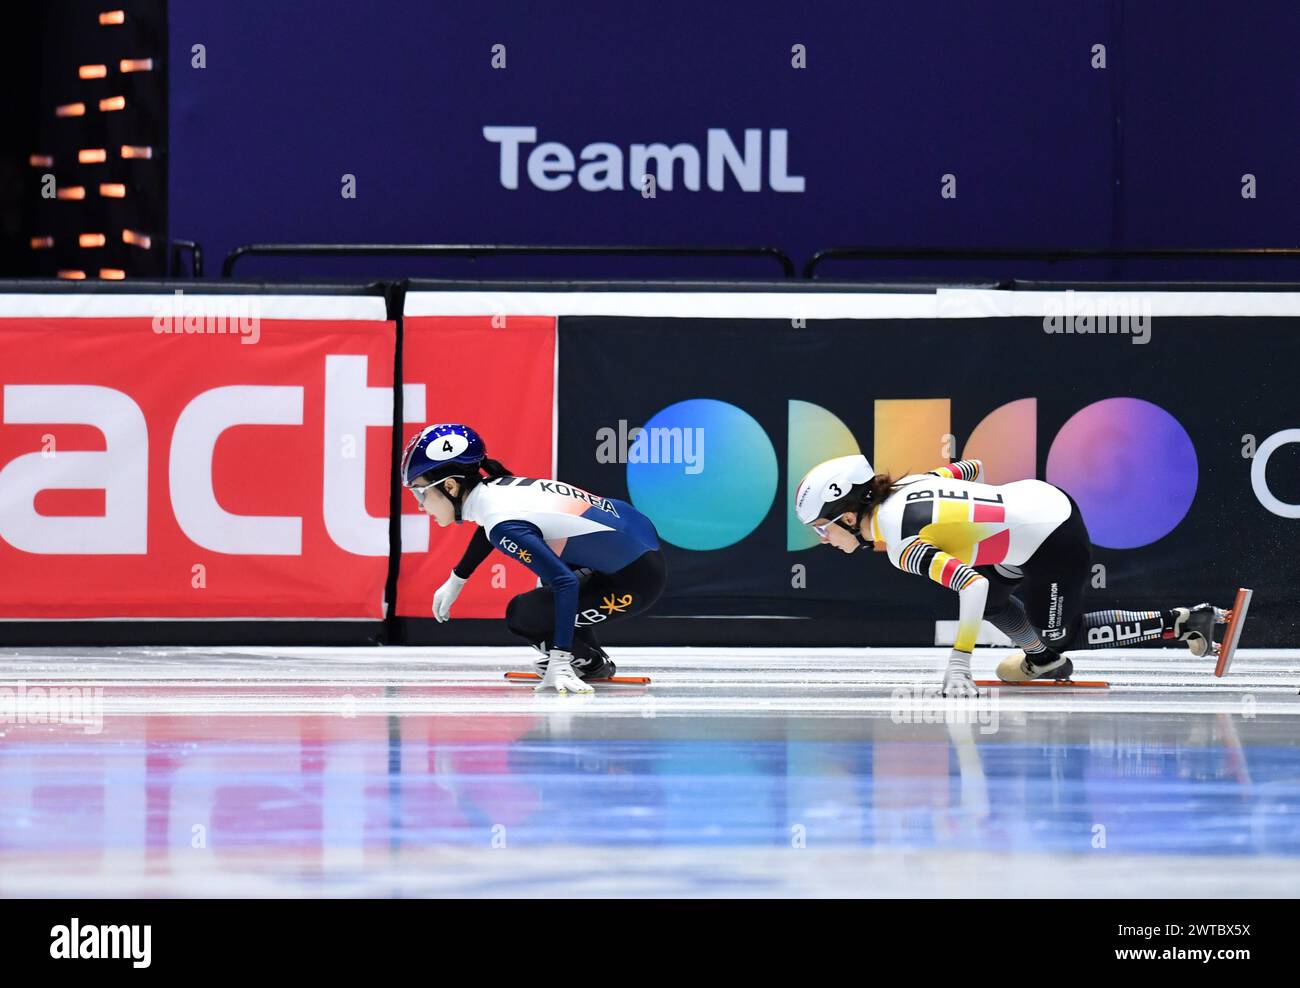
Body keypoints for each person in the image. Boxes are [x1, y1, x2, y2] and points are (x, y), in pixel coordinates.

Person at [794, 455, 1227, 697]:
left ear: (848, 515)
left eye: (821, 528)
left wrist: (960, 664)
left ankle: (1187, 621)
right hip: (1033, 500)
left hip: (1053, 538)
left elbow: (973, 586)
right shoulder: (913, 483)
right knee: (999, 602)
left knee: (1061, 633)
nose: (823, 539)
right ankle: (1041, 661)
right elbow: (971, 469)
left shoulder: (902, 541)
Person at [401, 423, 666, 694]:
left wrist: (560, 660)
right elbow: (487, 527)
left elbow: (565, 583)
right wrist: (457, 579)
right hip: (633, 544)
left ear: (450, 486)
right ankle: (586, 655)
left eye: (420, 492)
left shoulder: (501, 522)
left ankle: (587, 662)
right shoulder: (496, 489)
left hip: (636, 582)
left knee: (525, 615)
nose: (420, 505)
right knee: (545, 585)